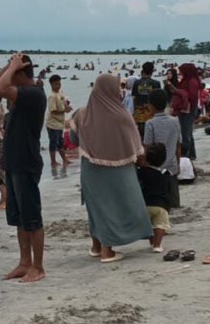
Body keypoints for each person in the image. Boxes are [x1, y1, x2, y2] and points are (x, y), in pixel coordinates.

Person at [74, 74, 152, 263]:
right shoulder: (121, 115)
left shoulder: (82, 114)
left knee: (97, 208)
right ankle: (107, 251)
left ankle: (96, 246)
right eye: (117, 88)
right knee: (122, 205)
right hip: (119, 170)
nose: (120, 91)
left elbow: (75, 139)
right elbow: (135, 146)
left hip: (90, 170)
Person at [0, 53, 47, 283]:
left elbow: (0, 90)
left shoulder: (33, 94)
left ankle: (38, 266)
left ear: (22, 74)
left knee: (32, 217)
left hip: (26, 161)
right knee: (19, 218)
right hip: (14, 161)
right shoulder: (22, 95)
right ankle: (24, 262)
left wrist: (13, 67)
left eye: (14, 73)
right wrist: (9, 65)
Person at [143, 89, 182, 208]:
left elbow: (147, 147)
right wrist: (178, 164)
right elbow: (178, 145)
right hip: (172, 166)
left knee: (159, 203)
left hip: (156, 168)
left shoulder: (150, 124)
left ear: (151, 105)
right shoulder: (175, 121)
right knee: (174, 201)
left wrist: (144, 164)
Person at [137, 143, 171, 253]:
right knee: (160, 225)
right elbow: (168, 190)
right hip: (161, 204)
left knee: (150, 225)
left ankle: (152, 241)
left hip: (145, 203)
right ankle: (157, 245)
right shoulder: (165, 173)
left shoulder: (141, 171)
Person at [45, 75, 72, 170]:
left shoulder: (60, 92)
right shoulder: (51, 96)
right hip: (52, 123)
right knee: (53, 143)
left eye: (59, 83)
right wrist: (65, 110)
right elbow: (53, 110)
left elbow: (64, 102)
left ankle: (64, 159)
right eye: (56, 84)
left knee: (60, 142)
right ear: (51, 84)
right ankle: (53, 162)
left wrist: (67, 106)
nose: (58, 86)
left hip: (59, 123)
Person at [177, 64, 201, 161]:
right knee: (188, 132)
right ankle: (191, 154)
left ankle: (186, 155)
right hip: (184, 109)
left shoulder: (192, 82)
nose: (180, 73)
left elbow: (193, 97)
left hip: (189, 110)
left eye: (182, 71)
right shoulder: (186, 80)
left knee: (185, 133)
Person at [131, 62, 162, 137]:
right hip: (152, 112)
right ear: (152, 71)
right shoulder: (156, 83)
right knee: (152, 134)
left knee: (141, 134)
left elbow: (134, 98)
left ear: (143, 70)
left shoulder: (136, 83)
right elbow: (159, 99)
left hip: (139, 112)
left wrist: (134, 112)